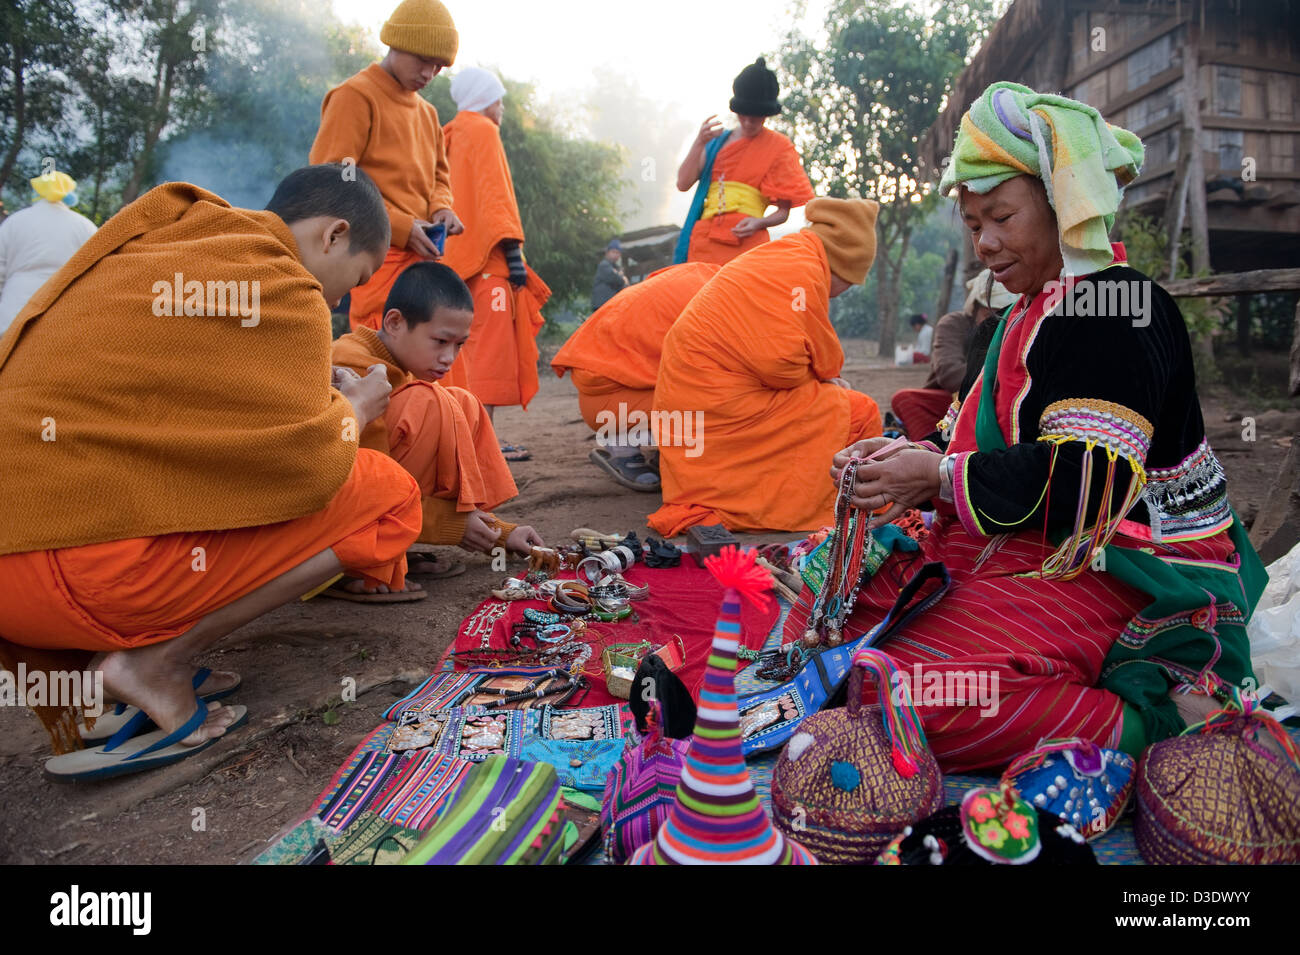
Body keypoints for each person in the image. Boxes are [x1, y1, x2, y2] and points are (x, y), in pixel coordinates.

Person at [802, 82, 1265, 772]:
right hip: (1033, 548)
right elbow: (970, 440)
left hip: (1131, 567)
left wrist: (936, 476)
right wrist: (904, 456)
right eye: (972, 224)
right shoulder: (1023, 315)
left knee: (909, 695)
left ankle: (1152, 717)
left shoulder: (1118, 308)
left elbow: (1086, 488)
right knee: (834, 619)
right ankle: (1034, 667)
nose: (985, 243)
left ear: (1061, 201)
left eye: (1001, 217)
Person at [0, 164, 424, 777]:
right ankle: (151, 664)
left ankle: (116, 665)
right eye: (353, 281)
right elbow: (308, 468)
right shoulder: (285, 285)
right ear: (333, 235)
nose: (338, 301)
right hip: (81, 578)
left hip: (15, 590)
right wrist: (356, 407)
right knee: (391, 493)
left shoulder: (171, 241)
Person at [649, 197, 883, 536]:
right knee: (860, 411)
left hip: (693, 404)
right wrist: (823, 380)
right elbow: (779, 364)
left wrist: (822, 377)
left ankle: (804, 499)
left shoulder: (791, 255)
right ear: (844, 265)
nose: (843, 293)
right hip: (716, 404)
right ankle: (849, 510)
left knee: (832, 401)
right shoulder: (803, 269)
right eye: (850, 282)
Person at [329, 260, 542, 602]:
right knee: (429, 403)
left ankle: (389, 547)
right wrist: (456, 528)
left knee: (461, 403)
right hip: (324, 517)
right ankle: (355, 563)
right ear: (395, 322)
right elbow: (359, 483)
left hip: (364, 504)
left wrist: (502, 535)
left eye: (459, 345)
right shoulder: (354, 367)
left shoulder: (402, 365)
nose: (449, 357)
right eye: (441, 341)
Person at [309, 0, 465, 332]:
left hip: (425, 262)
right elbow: (337, 182)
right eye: (423, 60)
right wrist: (402, 228)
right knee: (384, 366)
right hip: (378, 259)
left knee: (436, 366)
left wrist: (441, 209)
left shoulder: (428, 114)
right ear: (396, 44)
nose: (429, 74)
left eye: (438, 66)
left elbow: (439, 176)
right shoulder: (356, 97)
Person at [438, 67, 551, 450]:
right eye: (499, 101)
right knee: (488, 355)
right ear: (485, 101)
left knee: (466, 354)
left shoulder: (450, 133)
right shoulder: (482, 130)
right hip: (488, 262)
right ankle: (481, 445)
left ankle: (471, 441)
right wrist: (514, 253)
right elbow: (495, 196)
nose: (501, 110)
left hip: (456, 262)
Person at [553, 261, 720, 491]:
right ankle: (624, 448)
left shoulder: (706, 275)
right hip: (610, 402)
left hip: (604, 393)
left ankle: (661, 454)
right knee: (722, 398)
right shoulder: (718, 300)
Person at [674, 57, 814, 266]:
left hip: (748, 244)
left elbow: (783, 213)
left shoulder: (779, 147)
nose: (748, 122)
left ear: (767, 115)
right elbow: (683, 183)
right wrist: (699, 142)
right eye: (743, 115)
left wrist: (759, 222)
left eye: (756, 118)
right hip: (704, 242)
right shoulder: (716, 144)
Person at [889, 269, 1014, 439]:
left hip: (1001, 402)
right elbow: (949, 374)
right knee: (906, 400)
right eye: (989, 314)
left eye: (1003, 315)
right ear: (974, 307)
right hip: (953, 402)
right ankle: (929, 448)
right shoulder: (953, 324)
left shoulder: (1017, 327)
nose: (996, 322)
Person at [0, 171, 97, 333]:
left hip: (12, 313)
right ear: (69, 193)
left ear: (37, 191)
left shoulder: (14, 221)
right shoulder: (85, 226)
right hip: (62, 314)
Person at [591, 239, 628, 309]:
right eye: (613, 252)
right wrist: (622, 278)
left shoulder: (616, 268)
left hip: (612, 305)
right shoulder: (604, 265)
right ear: (607, 253)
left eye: (618, 253)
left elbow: (624, 285)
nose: (616, 255)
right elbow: (617, 279)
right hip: (602, 305)